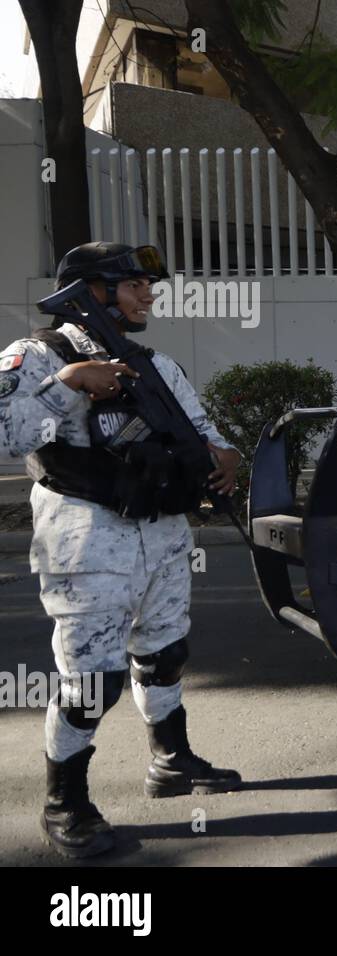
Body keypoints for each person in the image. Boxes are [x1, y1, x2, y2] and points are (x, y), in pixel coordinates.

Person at [0, 241, 242, 858]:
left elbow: (200, 428)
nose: (148, 295)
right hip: (86, 535)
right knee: (91, 682)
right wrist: (66, 386)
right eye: (134, 285)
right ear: (91, 292)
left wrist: (225, 458)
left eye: (147, 286)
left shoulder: (152, 361)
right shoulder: (34, 355)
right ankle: (65, 805)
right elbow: (6, 432)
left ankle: (171, 759)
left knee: (165, 652)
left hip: (162, 531)